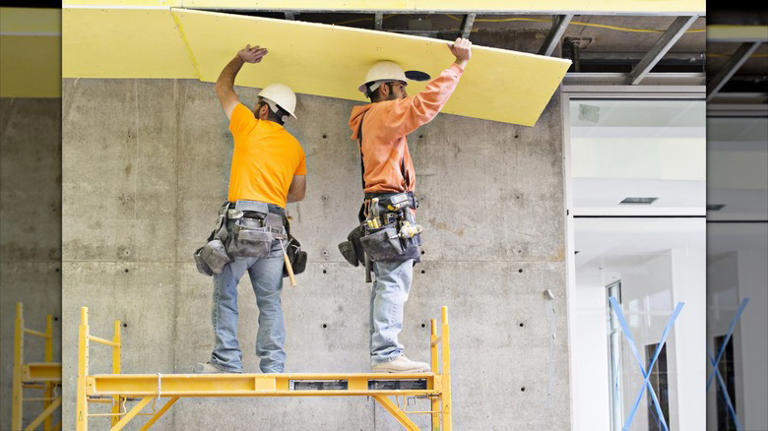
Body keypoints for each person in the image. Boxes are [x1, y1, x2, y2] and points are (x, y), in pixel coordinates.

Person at [348, 37, 472, 373]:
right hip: (390, 209)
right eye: (401, 89)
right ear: (386, 89)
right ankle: (386, 355)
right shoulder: (385, 113)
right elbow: (424, 106)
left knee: (388, 282)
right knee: (392, 282)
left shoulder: (370, 120)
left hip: (383, 210)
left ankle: (383, 352)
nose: (405, 95)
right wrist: (458, 65)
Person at [194, 44, 306, 374]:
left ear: (264, 110)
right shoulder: (294, 146)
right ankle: (274, 367)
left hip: (243, 224)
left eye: (258, 103)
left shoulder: (248, 125)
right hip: (275, 229)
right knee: (269, 301)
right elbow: (297, 194)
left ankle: (227, 361)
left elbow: (222, 86)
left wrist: (240, 59)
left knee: (225, 291)